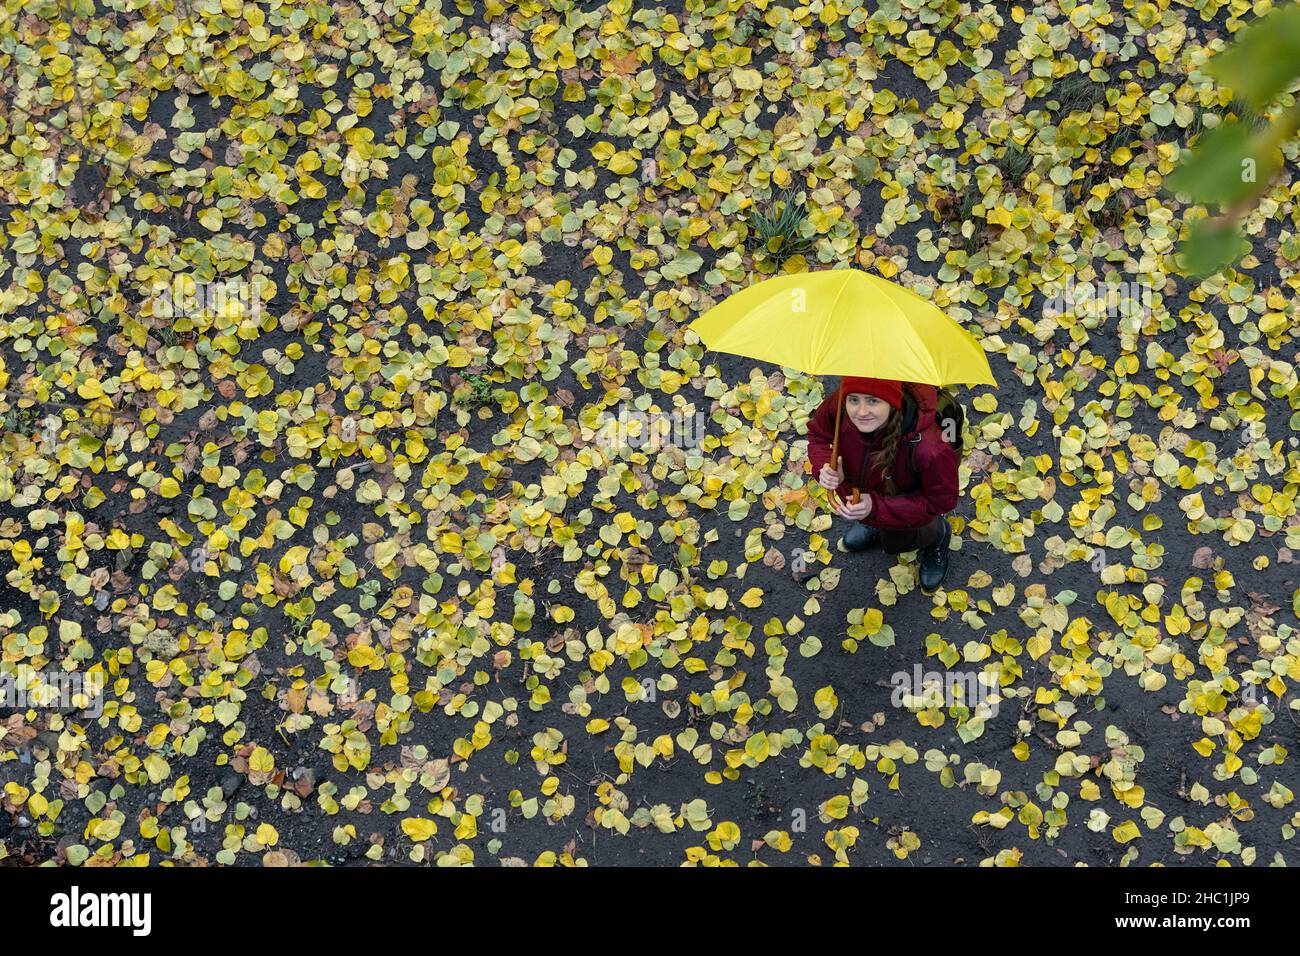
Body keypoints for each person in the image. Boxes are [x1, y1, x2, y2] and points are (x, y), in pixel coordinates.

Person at [805, 375, 959, 594]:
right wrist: (824, 466)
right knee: (871, 517)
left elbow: (941, 501)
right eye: (854, 400)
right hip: (861, 495)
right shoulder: (839, 406)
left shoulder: (931, 448)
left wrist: (876, 507)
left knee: (897, 542)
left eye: (873, 400)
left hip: (905, 509)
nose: (861, 411)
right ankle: (873, 522)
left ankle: (937, 536)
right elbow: (818, 434)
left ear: (892, 402)